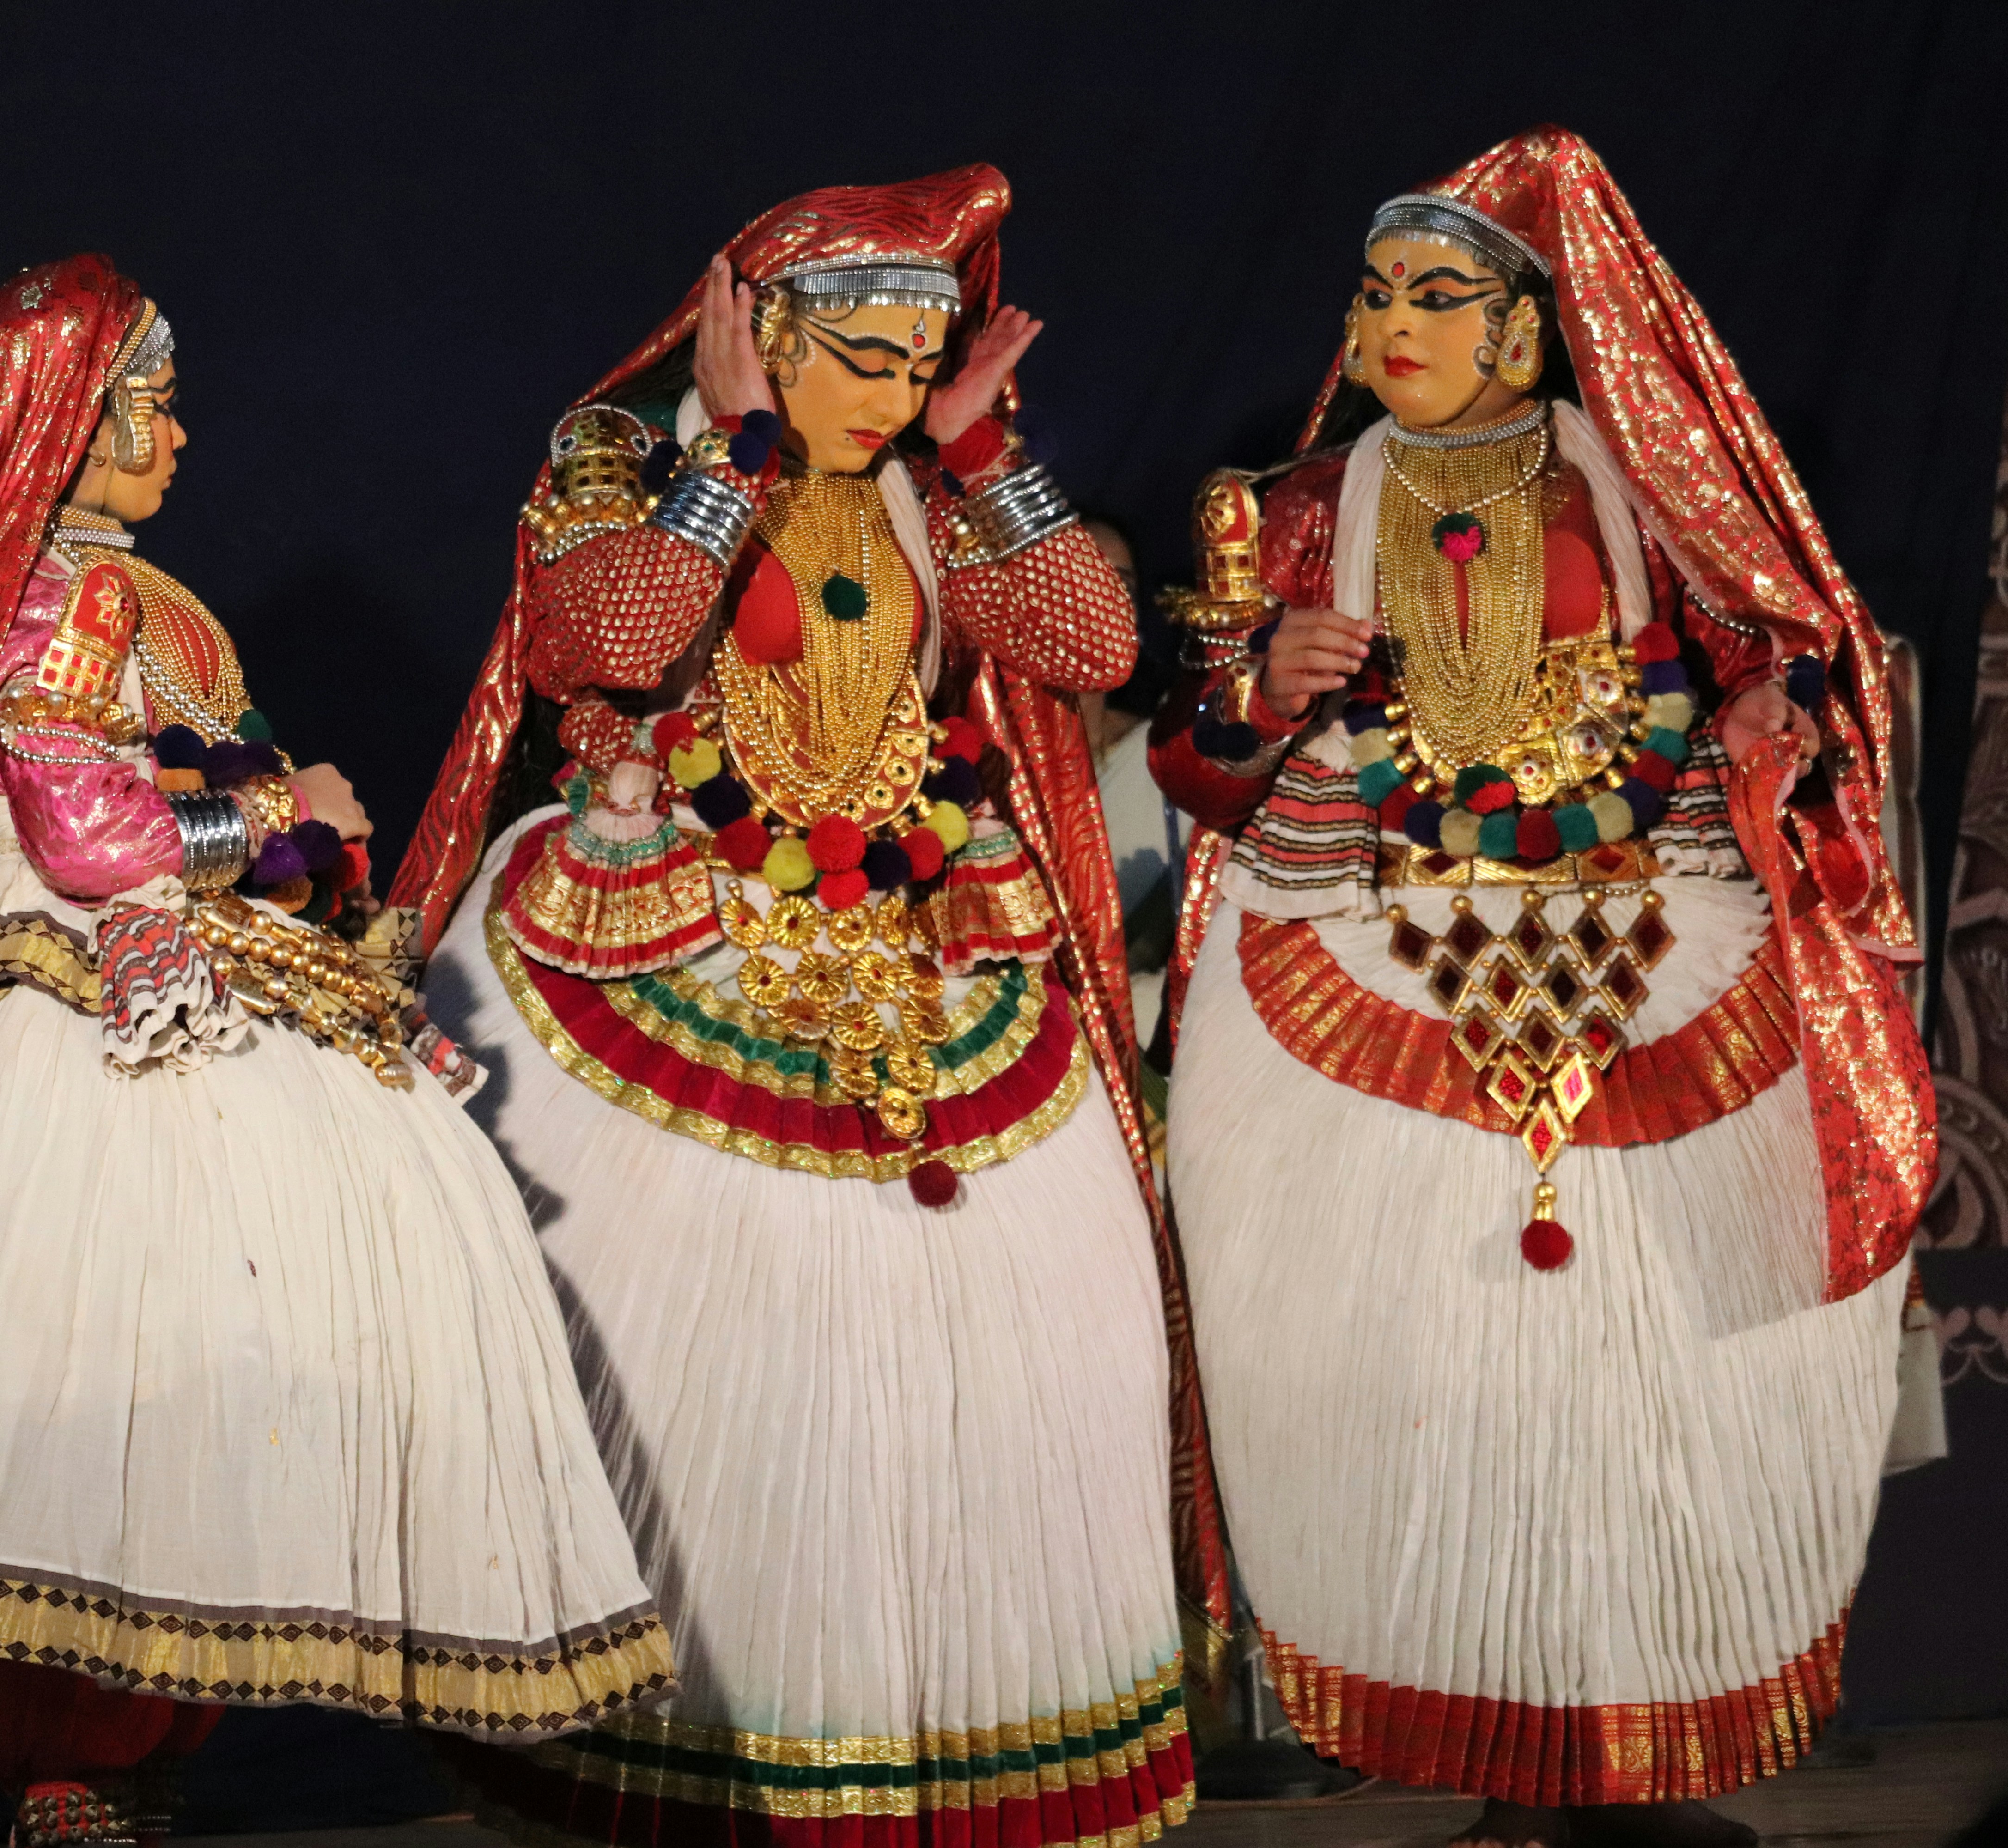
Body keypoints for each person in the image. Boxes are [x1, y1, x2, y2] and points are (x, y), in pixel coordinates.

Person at [0, 258, 671, 1846]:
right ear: (59, 431)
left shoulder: (100, 591)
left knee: (190, 1393)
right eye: (147, 406)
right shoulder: (65, 596)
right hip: (105, 995)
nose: (181, 436)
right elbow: (87, 836)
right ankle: (89, 1780)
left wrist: (284, 840)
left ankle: (109, 1781)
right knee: (137, 1357)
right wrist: (284, 814)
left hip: (180, 971)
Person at [391, 165, 1229, 1846]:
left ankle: (945, 1762)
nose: (892, 396)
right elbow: (602, 646)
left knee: (1005, 1354)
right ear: (763, 334)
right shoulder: (622, 464)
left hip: (919, 950)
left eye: (919, 366)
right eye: (860, 357)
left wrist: (985, 451)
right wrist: (727, 457)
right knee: (728, 1370)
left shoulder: (929, 486)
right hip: (668, 944)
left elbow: (1091, 639)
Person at [1148, 129, 1935, 1848]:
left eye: (1439, 295)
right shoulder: (1289, 520)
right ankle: (1515, 1777)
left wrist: (1770, 723)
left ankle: (1643, 1770)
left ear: (1528, 328)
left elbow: (1790, 663)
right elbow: (1200, 780)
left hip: (1655, 965)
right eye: (1371, 298)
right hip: (1376, 968)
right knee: (1455, 1383)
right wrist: (1258, 697)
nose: (1390, 327)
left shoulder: (1655, 495)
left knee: (1655, 1386)